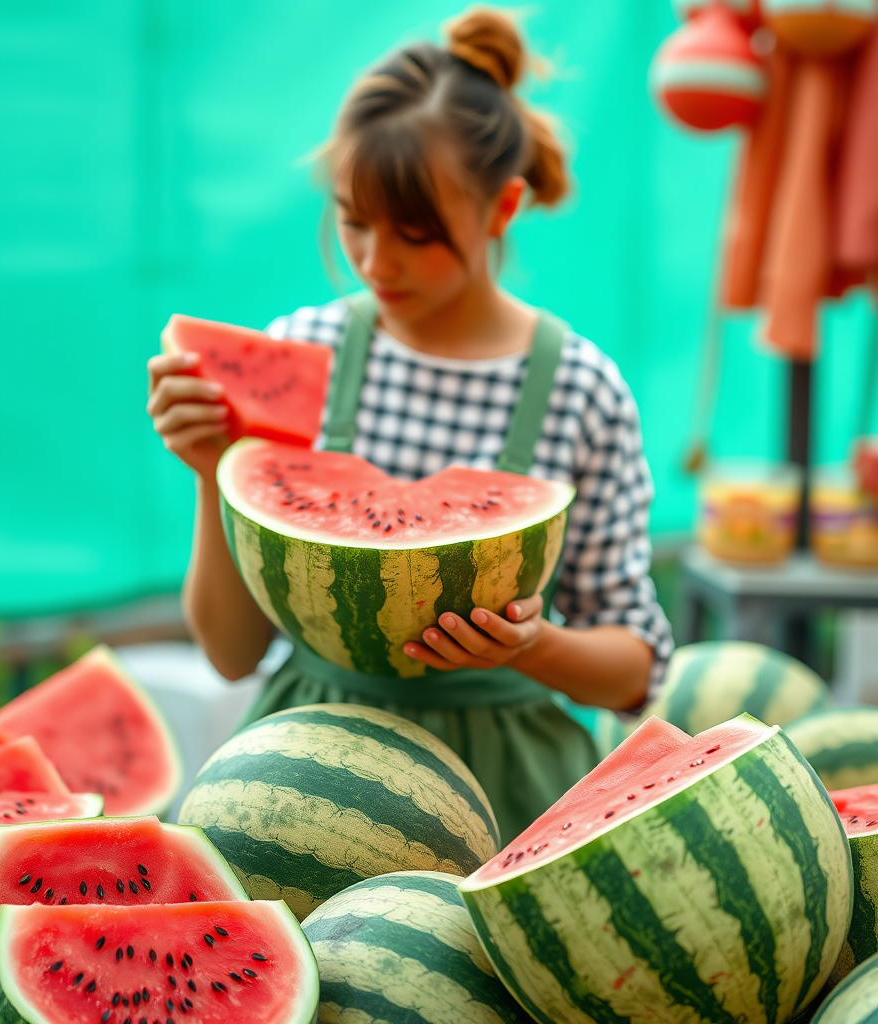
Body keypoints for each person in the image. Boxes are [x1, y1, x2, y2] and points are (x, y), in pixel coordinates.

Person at [146, 6, 673, 842]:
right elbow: (232, 654)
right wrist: (214, 472)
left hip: (506, 787)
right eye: (354, 220)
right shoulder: (303, 351)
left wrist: (531, 647)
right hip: (305, 773)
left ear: (501, 208)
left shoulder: (579, 387)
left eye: (417, 234)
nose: (376, 260)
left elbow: (638, 666)